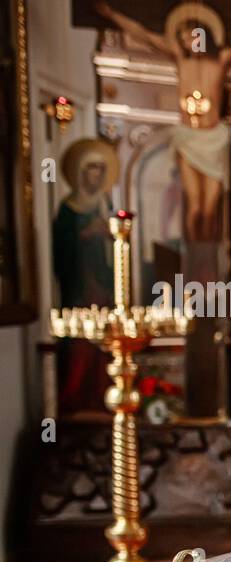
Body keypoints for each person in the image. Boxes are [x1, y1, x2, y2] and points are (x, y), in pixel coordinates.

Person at [95, 2, 231, 243]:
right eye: (183, 38)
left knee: (210, 209)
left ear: (205, 36)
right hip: (188, 137)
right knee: (194, 206)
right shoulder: (179, 58)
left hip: (213, 137)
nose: (188, 42)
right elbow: (143, 35)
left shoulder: (221, 59)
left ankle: (208, 257)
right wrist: (112, 14)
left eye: (192, 36)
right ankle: (193, 257)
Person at [51, 139, 116, 413]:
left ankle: (101, 397)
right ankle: (75, 399)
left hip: (103, 284)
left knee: (104, 345)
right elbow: (61, 249)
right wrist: (85, 235)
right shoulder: (68, 208)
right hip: (79, 287)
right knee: (80, 347)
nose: (97, 175)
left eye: (101, 169)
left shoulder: (104, 203)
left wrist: (109, 235)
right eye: (92, 169)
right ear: (80, 172)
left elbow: (117, 244)